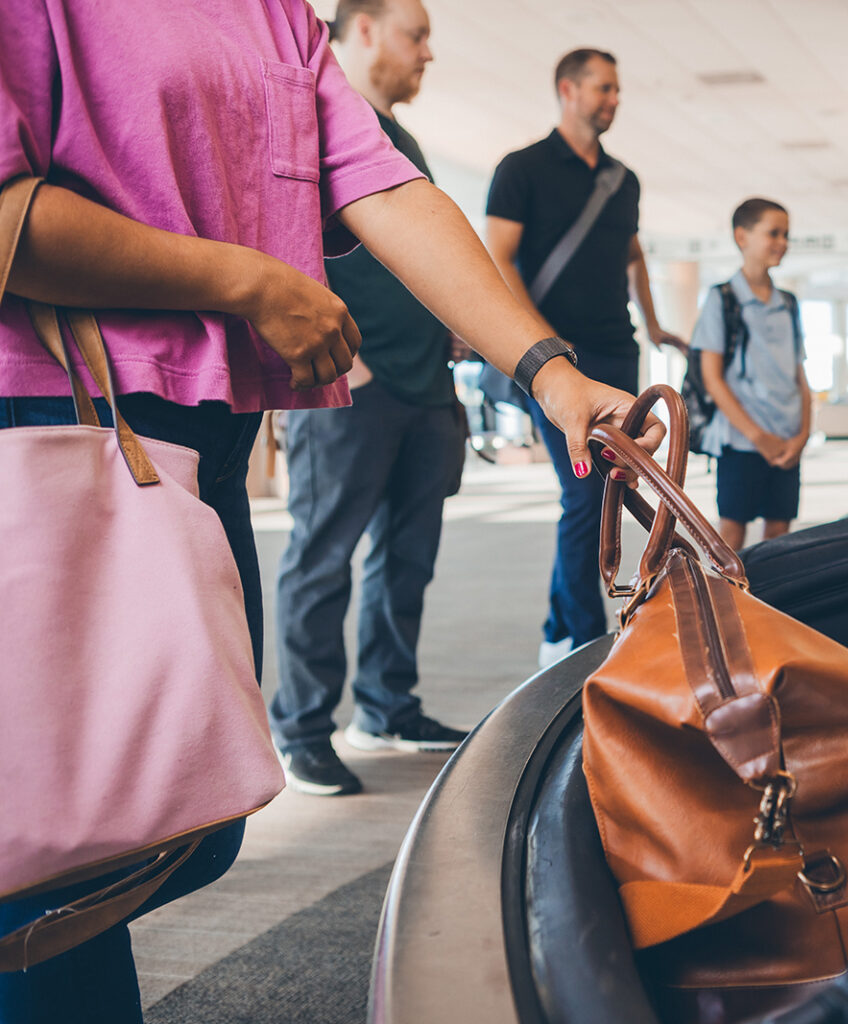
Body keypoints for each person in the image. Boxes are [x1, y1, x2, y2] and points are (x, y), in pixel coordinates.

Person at [0, 2, 660, 1020]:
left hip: (197, 436)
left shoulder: (270, 15)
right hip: (55, 423)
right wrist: (246, 280)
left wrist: (549, 374)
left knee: (167, 822)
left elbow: (388, 188)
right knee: (65, 845)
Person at [267, 0, 470, 798]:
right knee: (322, 562)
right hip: (350, 385)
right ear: (360, 31)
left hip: (423, 387)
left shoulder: (404, 141)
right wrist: (336, 370)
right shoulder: (310, 122)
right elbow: (271, 231)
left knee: (405, 563)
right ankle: (303, 729)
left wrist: (445, 324)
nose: (427, 52)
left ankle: (385, 707)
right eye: (415, 34)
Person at [483, 48, 686, 666]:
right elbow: (499, 259)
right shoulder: (521, 169)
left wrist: (652, 325)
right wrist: (539, 350)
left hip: (615, 349)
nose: (613, 99)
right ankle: (581, 642)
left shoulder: (623, 180)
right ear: (567, 90)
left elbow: (632, 254)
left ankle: (557, 629)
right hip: (554, 359)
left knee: (601, 489)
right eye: (603, 88)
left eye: (618, 89)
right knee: (584, 495)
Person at [692, 198, 811, 551]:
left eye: (786, 234)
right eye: (773, 233)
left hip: (788, 438)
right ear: (742, 237)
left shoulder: (788, 303)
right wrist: (758, 437)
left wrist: (803, 434)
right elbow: (712, 378)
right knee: (731, 537)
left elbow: (799, 374)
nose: (782, 242)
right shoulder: (722, 299)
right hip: (742, 441)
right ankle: (733, 607)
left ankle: (772, 604)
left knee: (779, 534)